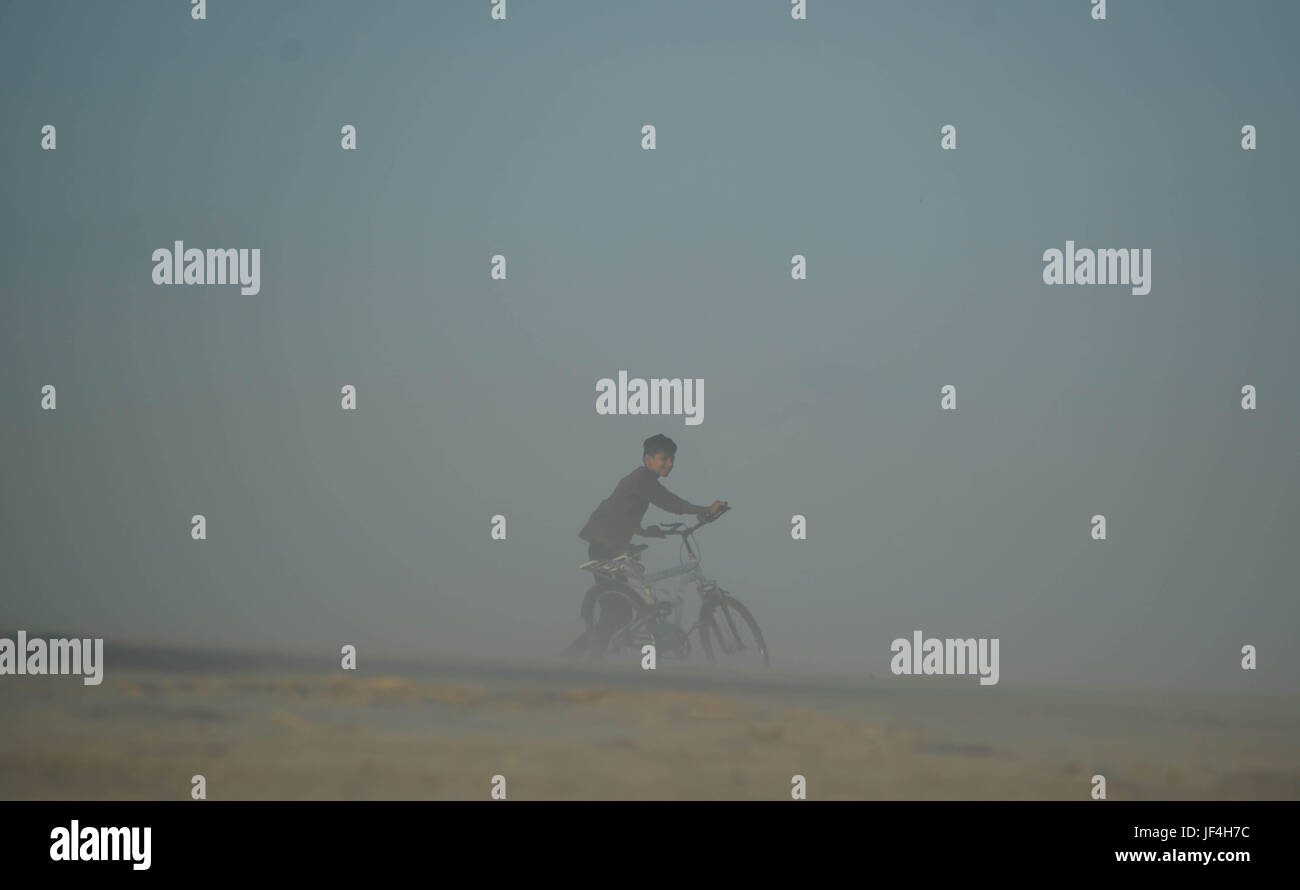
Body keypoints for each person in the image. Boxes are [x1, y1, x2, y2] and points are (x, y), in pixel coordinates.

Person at [571, 434, 726, 657]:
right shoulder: (643, 479)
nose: (670, 464)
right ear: (648, 459)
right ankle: (582, 658)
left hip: (607, 542)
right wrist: (705, 510)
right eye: (664, 459)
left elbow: (621, 511)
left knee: (619, 614)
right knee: (617, 612)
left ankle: (577, 657)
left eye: (672, 459)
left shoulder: (640, 481)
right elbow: (672, 503)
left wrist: (645, 531)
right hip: (606, 544)